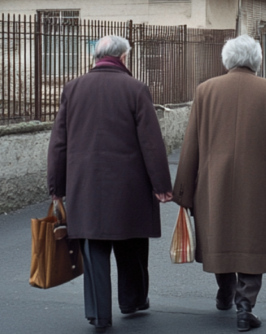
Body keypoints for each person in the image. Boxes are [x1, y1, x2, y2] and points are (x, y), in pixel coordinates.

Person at [47, 35, 172, 332]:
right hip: (130, 185)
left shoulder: (72, 89)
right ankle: (133, 301)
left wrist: (57, 188)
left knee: (93, 247)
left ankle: (99, 315)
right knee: (132, 242)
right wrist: (161, 184)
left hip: (85, 184)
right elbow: (151, 143)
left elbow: (59, 143)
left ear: (96, 57)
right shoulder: (136, 89)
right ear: (124, 57)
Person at [172, 34, 266, 332]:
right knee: (253, 240)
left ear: (226, 60)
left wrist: (183, 190)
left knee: (220, 236)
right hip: (258, 183)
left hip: (212, 181)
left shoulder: (205, 91)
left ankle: (225, 292)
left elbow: (191, 144)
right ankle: (245, 306)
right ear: (257, 60)